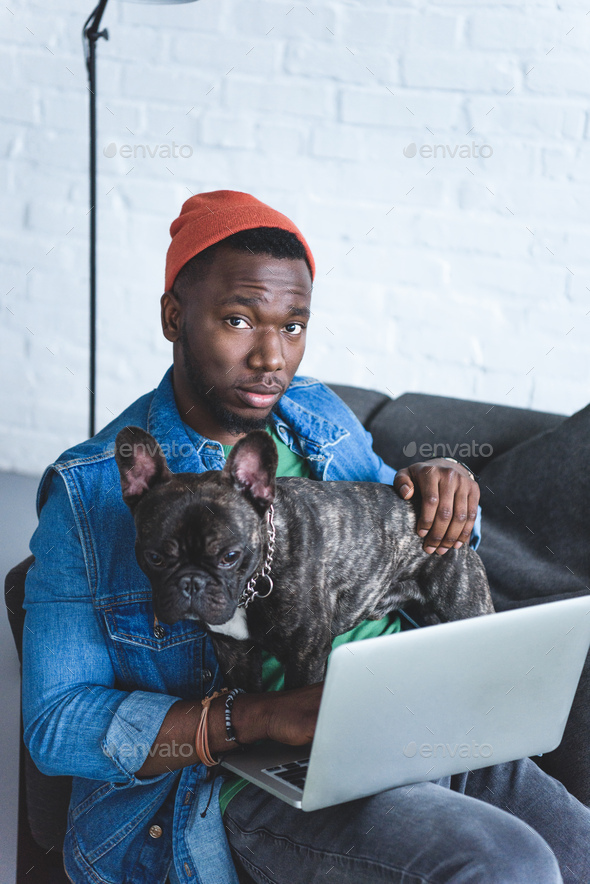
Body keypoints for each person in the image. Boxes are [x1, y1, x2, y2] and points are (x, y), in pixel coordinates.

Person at [22, 190, 590, 884]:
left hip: (417, 718)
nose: (271, 356)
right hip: (241, 779)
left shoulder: (313, 413)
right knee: (510, 862)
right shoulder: (87, 492)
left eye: (293, 327)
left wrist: (444, 494)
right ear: (174, 315)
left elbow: (412, 547)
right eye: (238, 319)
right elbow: (58, 725)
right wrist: (258, 718)